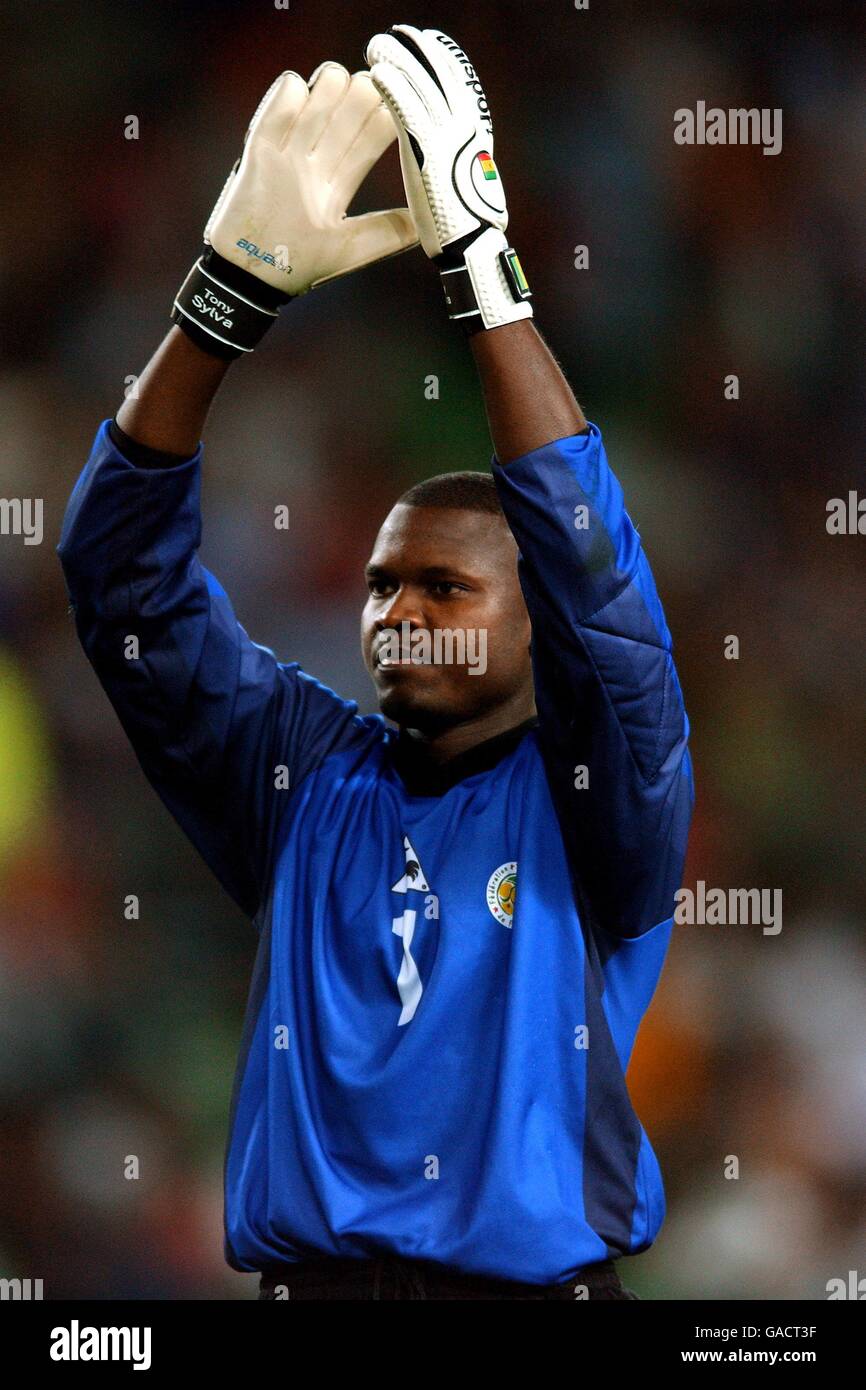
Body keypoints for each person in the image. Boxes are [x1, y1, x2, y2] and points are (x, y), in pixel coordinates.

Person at [57, 25, 693, 1301]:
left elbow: (601, 595)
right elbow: (120, 575)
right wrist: (222, 303)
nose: (398, 610)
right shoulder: (296, 775)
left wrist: (482, 275)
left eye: (444, 584)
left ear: (530, 623)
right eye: (381, 585)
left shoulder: (599, 798)